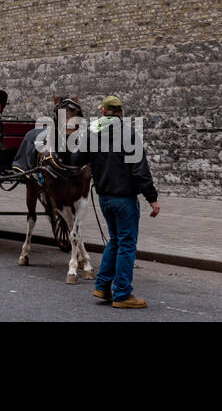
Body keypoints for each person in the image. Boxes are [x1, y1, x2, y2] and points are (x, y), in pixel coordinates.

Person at [86, 95, 159, 309]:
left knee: (115, 240)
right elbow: (140, 171)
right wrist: (152, 199)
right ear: (121, 113)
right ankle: (122, 294)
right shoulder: (128, 135)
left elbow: (76, 159)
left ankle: (102, 286)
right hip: (124, 198)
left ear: (103, 112)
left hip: (104, 198)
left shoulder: (92, 133)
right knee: (126, 244)